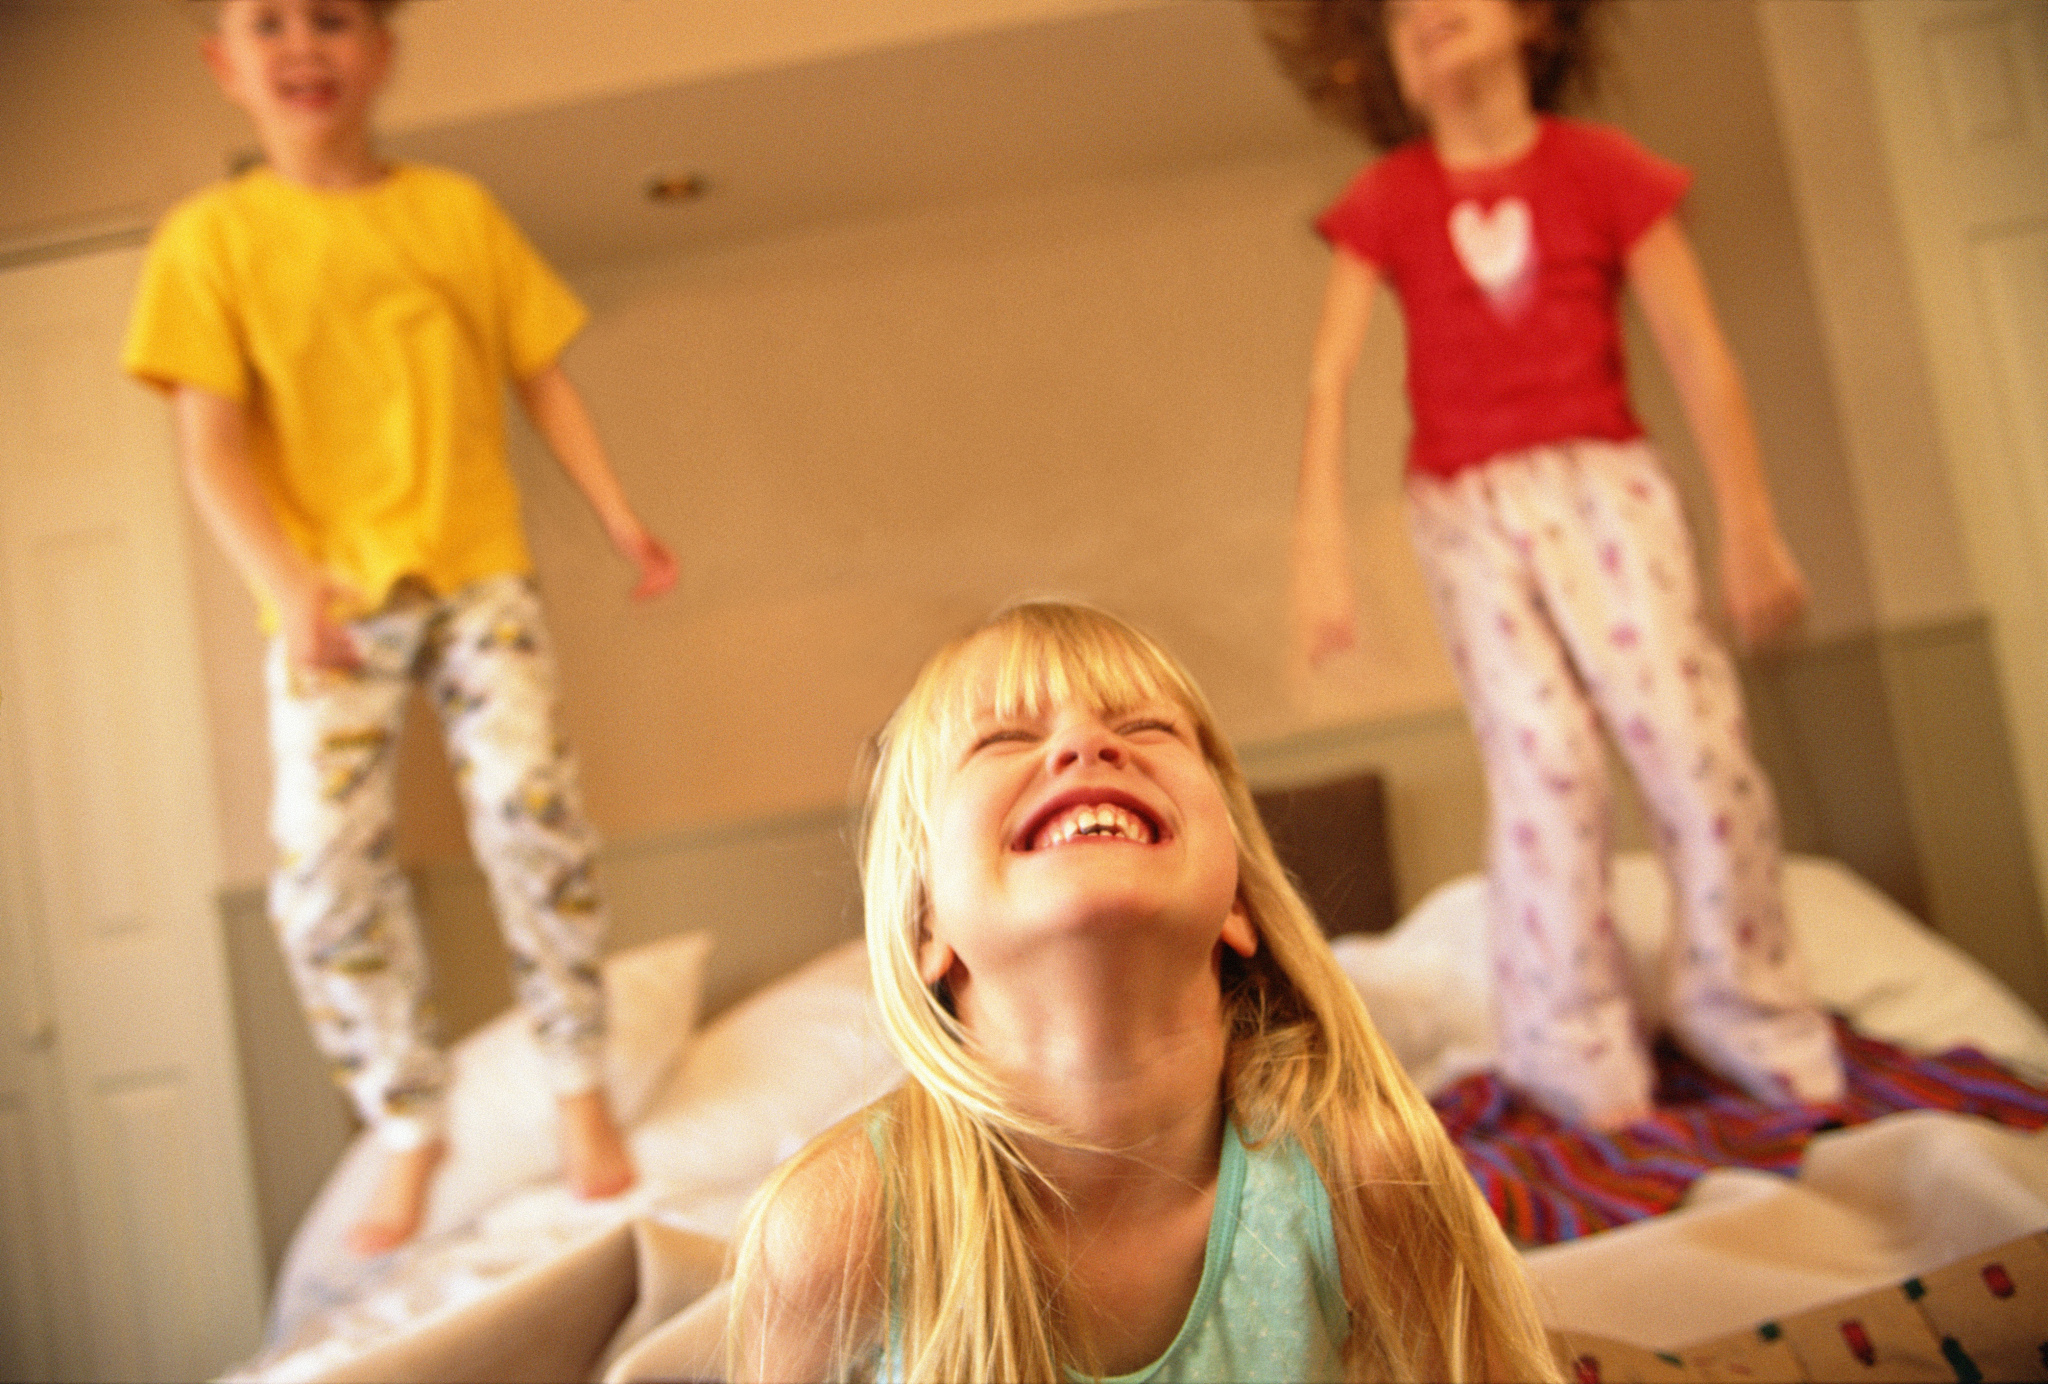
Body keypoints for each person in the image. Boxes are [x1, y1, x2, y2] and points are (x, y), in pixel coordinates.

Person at [123, 0, 678, 1254]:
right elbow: (208, 450)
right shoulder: (210, 239)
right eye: (268, 23)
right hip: (326, 597)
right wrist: (289, 580)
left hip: (477, 574)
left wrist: (618, 519)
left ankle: (578, 1089)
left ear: (383, 50)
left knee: (533, 817)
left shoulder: (454, 213)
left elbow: (542, 374)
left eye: (333, 18)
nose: (303, 44)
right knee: (319, 875)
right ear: (225, 65)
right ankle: (408, 1121)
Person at [1268, 0, 1844, 1128]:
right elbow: (1328, 381)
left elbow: (1696, 350)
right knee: (1545, 760)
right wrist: (1319, 544)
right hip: (1465, 509)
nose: (1424, 16)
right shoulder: (1387, 201)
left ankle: (1744, 1000)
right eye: (1397, 15)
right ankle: (1564, 1038)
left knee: (1687, 735)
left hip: (1602, 484)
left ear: (1532, 19)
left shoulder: (1603, 172)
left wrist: (1750, 523)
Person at [729, 601, 1560, 1383]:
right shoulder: (836, 1232)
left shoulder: (1366, 1178)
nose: (1087, 744)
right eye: (1004, 737)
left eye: (1146, 726)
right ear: (925, 925)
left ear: (1239, 902)